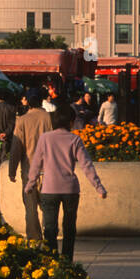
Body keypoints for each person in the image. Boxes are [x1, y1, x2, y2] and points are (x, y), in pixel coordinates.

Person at [27, 105, 107, 261]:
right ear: (71, 121)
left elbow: (36, 163)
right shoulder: (75, 139)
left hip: (49, 189)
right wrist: (99, 187)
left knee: (50, 228)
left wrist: (30, 184)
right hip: (70, 190)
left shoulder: (45, 138)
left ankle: (51, 261)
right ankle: (67, 261)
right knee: (69, 227)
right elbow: (86, 165)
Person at [8, 90, 52, 241]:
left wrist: (12, 170)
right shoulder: (49, 118)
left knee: (30, 208)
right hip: (49, 171)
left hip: (29, 171)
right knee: (48, 208)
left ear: (27, 101)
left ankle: (34, 239)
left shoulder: (22, 120)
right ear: (41, 101)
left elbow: (16, 147)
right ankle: (49, 237)